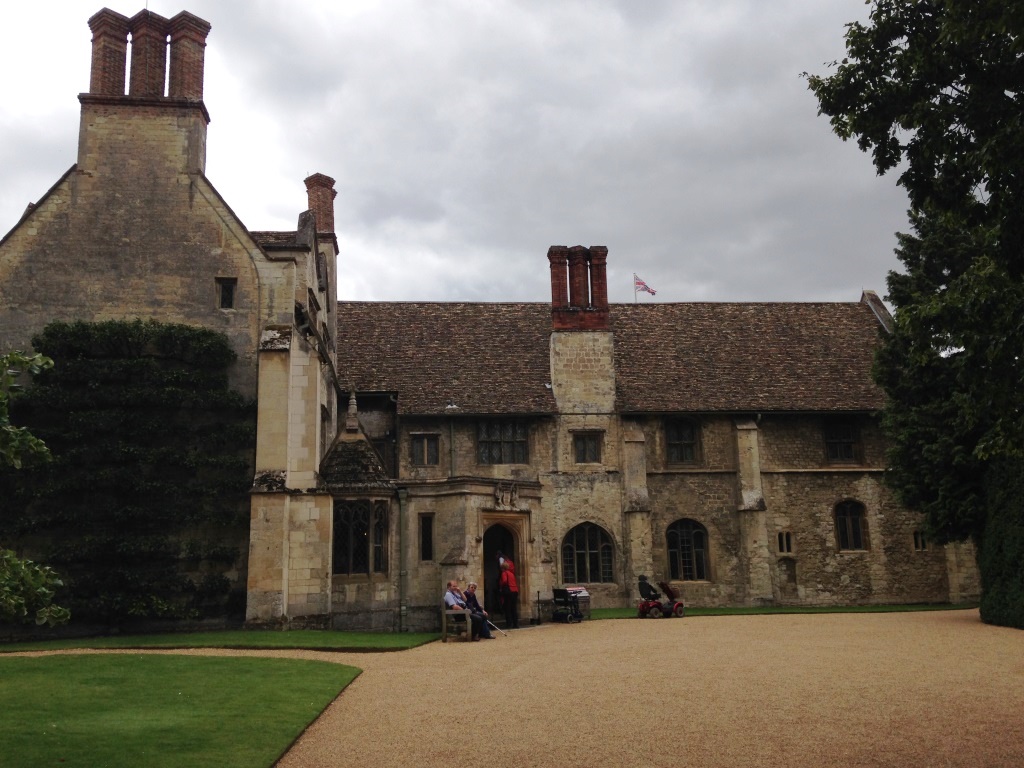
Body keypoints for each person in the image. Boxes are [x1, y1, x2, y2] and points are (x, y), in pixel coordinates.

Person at [498, 561, 520, 629]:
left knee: (507, 608)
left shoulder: (504, 573)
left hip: (508, 591)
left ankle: (509, 624)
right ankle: (515, 624)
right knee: (513, 608)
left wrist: (501, 585)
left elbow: (504, 581)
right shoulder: (511, 573)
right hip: (515, 591)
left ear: (502, 568)